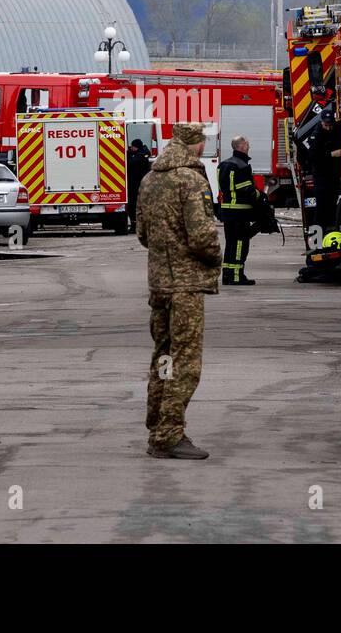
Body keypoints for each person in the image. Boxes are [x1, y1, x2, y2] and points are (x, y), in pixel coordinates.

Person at [136, 122, 222, 460]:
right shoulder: (191, 180)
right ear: (196, 145)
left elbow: (142, 233)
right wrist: (216, 256)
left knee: (165, 356)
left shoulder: (149, 180)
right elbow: (202, 236)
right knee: (186, 361)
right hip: (186, 286)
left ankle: (156, 424)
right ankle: (169, 434)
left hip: (159, 284)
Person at [217, 135, 261, 285]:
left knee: (230, 244)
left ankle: (227, 276)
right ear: (241, 146)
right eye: (247, 144)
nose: (248, 146)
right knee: (240, 244)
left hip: (227, 212)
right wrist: (261, 196)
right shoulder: (241, 166)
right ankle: (236, 276)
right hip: (240, 212)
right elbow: (246, 189)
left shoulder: (223, 165)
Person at [306, 108, 341, 238]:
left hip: (334, 175)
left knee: (334, 208)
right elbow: (314, 156)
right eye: (326, 125)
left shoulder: (337, 128)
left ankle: (332, 238)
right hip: (321, 176)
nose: (328, 128)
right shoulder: (316, 134)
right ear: (322, 122)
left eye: (330, 125)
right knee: (321, 209)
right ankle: (316, 241)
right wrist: (332, 154)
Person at [126, 138, 152, 225]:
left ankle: (136, 224)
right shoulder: (141, 153)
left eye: (132, 146)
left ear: (136, 147)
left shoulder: (142, 155)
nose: (131, 148)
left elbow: (131, 163)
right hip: (138, 184)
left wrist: (127, 154)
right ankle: (136, 223)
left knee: (134, 205)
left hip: (138, 184)